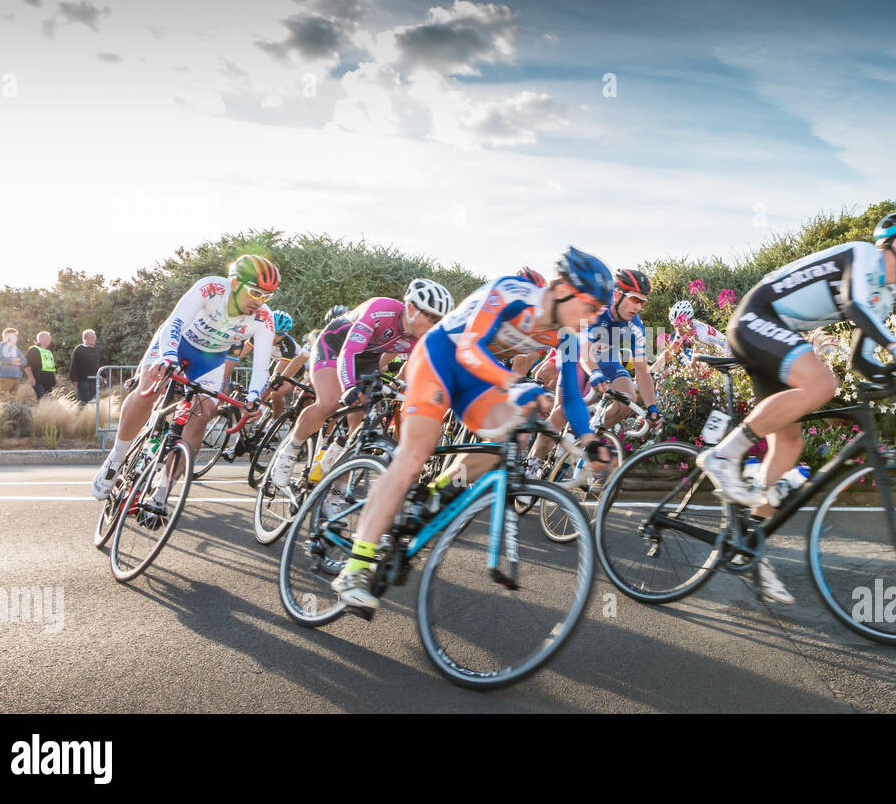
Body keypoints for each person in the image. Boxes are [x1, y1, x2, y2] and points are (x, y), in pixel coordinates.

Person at [330, 247, 616, 610]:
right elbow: (468, 348)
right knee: (414, 455)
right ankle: (355, 567)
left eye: (599, 313)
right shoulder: (512, 293)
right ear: (562, 290)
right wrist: (514, 382)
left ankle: (438, 493)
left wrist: (589, 441)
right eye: (590, 307)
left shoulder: (568, 334)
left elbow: (571, 395)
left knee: (517, 429)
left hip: (475, 378)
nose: (593, 318)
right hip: (440, 358)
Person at [697, 211, 896, 604]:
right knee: (821, 384)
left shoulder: (886, 295)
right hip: (756, 317)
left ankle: (749, 547)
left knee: (790, 445)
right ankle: (723, 456)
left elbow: (862, 362)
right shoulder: (862, 257)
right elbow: (852, 306)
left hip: (777, 332)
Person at [90, 255, 280, 500]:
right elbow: (175, 322)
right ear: (234, 283)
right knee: (150, 386)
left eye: (267, 296)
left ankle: (162, 492)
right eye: (255, 292)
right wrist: (168, 357)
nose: (260, 301)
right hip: (177, 342)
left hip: (210, 360)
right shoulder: (211, 288)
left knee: (202, 415)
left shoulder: (264, 318)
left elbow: (261, 368)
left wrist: (255, 398)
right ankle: (115, 460)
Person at [269, 281, 454, 488]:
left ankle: (337, 491)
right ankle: (290, 451)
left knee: (361, 430)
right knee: (329, 402)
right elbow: (349, 352)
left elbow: (418, 371)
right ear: (411, 308)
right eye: (431, 318)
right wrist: (349, 386)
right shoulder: (381, 309)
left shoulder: (422, 337)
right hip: (335, 345)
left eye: (440, 320)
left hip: (367, 359)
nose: (435, 325)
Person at [528, 268, 664, 468]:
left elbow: (642, 370)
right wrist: (595, 373)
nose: (639, 307)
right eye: (635, 299)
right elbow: (584, 351)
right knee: (562, 410)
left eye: (643, 302)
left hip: (607, 359)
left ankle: (581, 437)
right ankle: (533, 464)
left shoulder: (635, 325)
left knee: (627, 399)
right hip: (576, 352)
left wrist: (652, 406)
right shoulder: (597, 309)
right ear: (617, 295)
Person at [649, 299, 730, 374]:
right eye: (675, 325)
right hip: (718, 357)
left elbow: (697, 362)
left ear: (689, 321)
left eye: (679, 326)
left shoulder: (700, 331)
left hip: (729, 357)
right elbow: (670, 352)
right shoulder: (685, 329)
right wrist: (651, 371)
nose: (677, 329)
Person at [69, 329, 102, 403]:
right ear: (85, 338)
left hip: (95, 380)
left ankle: (92, 414)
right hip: (83, 380)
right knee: (84, 401)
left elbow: (98, 364)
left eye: (94, 337)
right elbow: (74, 364)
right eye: (92, 337)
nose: (94, 339)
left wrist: (103, 375)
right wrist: (73, 379)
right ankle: (82, 414)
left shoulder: (96, 349)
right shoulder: (79, 349)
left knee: (94, 401)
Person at [0, 328, 26, 398]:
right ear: (7, 336)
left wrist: (16, 362)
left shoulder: (16, 349)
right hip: (5, 376)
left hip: (16, 376)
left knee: (13, 399)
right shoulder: (0, 346)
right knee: (3, 399)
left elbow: (24, 361)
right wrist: (13, 361)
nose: (16, 338)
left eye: (16, 336)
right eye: (14, 336)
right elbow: (1, 359)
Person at [25, 331, 57, 400]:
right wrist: (31, 377)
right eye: (48, 338)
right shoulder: (33, 350)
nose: (50, 340)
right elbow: (27, 365)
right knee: (42, 399)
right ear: (41, 339)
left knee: (49, 400)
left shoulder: (48, 351)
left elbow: (51, 367)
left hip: (48, 381)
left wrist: (54, 379)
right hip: (38, 381)